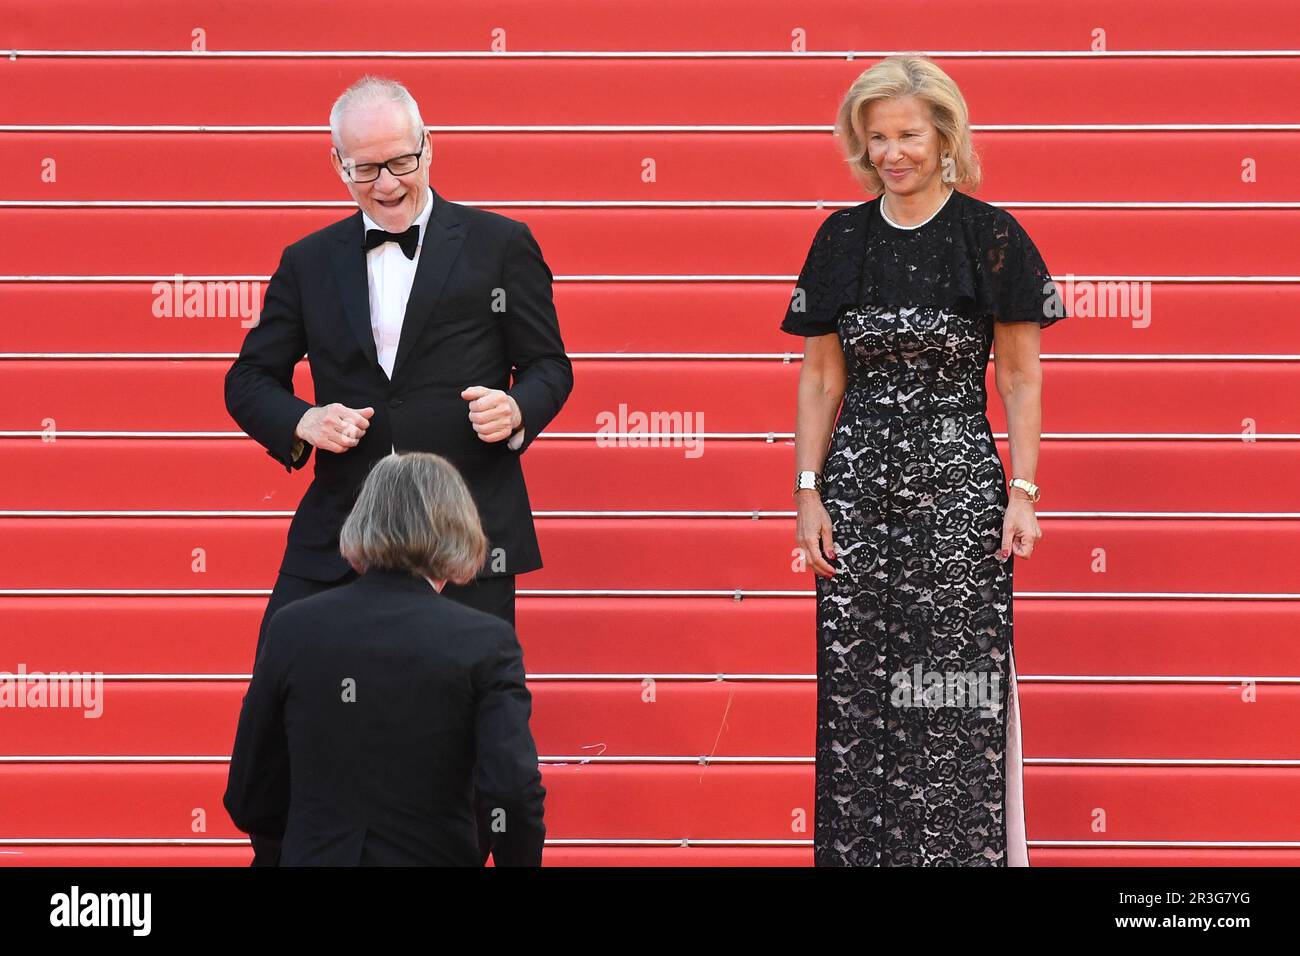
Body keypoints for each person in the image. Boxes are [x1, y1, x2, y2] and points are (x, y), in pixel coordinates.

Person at [783, 55, 1067, 866]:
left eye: (908, 134)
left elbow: (1017, 375)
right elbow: (822, 377)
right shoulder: (839, 238)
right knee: (859, 701)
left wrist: (1024, 492)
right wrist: (807, 492)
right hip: (857, 493)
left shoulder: (992, 237)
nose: (892, 152)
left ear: (945, 135)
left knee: (953, 699)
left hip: (960, 498)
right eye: (876, 138)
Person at [225, 74, 572, 662]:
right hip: (340, 533)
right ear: (337, 163)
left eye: (400, 162)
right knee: (285, 698)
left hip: (466, 531)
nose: (386, 185)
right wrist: (304, 421)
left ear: (428, 146)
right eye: (365, 169)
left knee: (464, 722)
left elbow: (548, 366)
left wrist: (517, 409)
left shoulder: (501, 244)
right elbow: (249, 379)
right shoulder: (307, 261)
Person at [223, 451, 546, 866]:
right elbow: (513, 794)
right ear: (460, 530)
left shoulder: (293, 629)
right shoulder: (485, 642)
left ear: (360, 523)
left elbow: (249, 794)